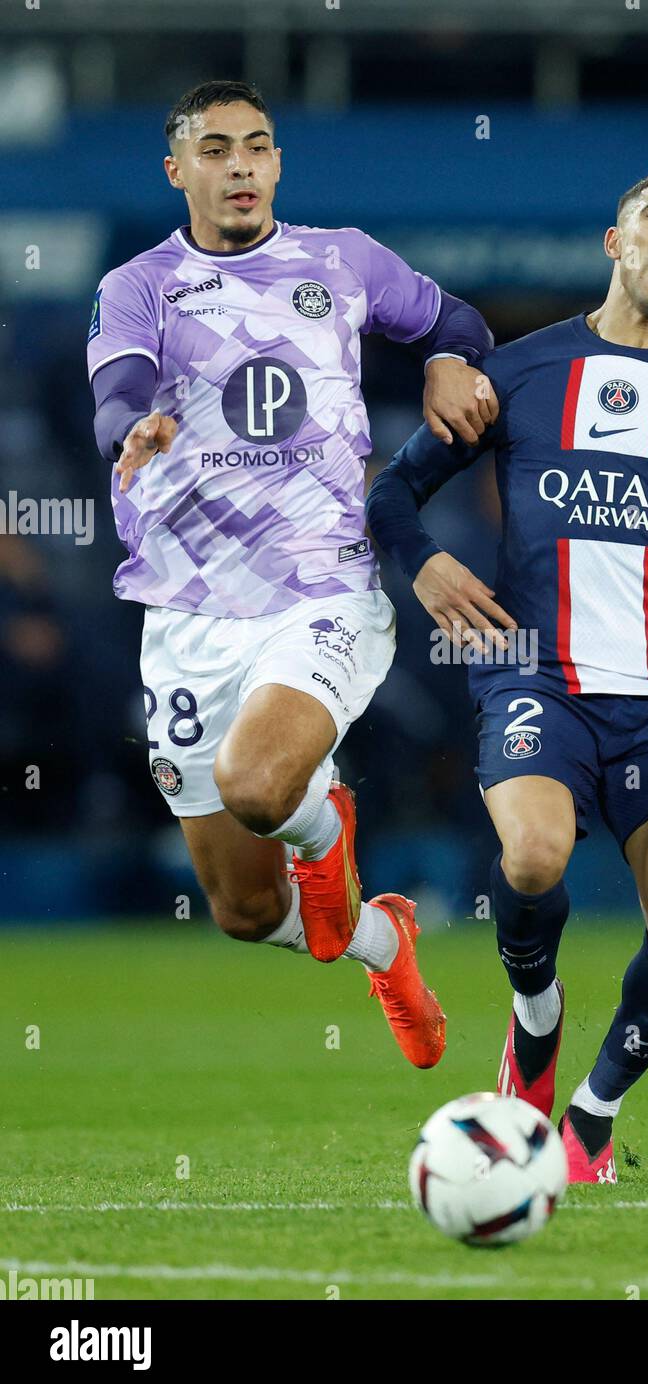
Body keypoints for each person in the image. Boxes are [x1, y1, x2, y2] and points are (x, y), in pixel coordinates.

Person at [367, 170, 648, 1175]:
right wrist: (426, 563)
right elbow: (395, 489)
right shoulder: (517, 372)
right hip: (538, 676)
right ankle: (535, 1018)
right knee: (530, 859)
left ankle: (593, 1115)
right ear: (618, 240)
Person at [87, 79, 499, 1070]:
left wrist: (448, 355)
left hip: (323, 588)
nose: (240, 166)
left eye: (258, 147)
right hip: (187, 612)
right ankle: (383, 940)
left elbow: (462, 324)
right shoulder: (138, 284)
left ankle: (326, 824)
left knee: (263, 785)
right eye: (216, 148)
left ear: (276, 163)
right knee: (244, 908)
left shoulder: (341, 261)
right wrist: (134, 429)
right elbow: (117, 392)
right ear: (178, 169)